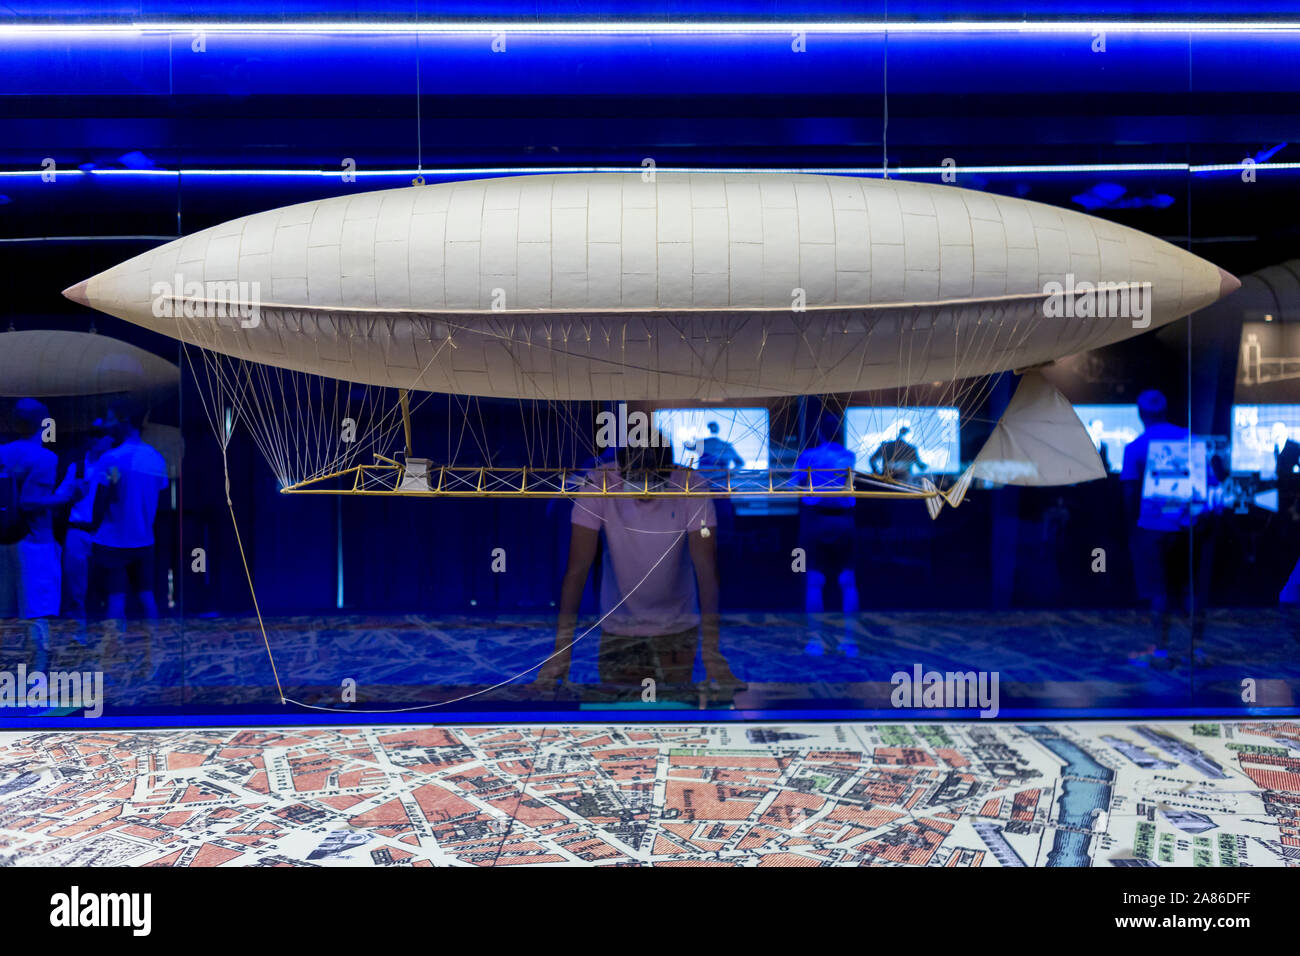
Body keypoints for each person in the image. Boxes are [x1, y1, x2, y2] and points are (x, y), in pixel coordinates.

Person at [536, 435, 737, 695]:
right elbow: (577, 570)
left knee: (673, 719)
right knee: (619, 719)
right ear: (622, 470)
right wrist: (561, 652)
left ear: (668, 471)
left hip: (677, 629)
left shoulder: (692, 485)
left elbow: (706, 571)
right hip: (619, 628)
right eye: (637, 481)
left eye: (654, 481)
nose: (645, 491)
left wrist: (711, 652)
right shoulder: (599, 483)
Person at [0, 398, 82, 669]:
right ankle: (38, 674)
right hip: (34, 543)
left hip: (4, 543)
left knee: (7, 612)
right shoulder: (45, 458)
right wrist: (67, 496)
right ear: (44, 424)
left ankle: (10, 673)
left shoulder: (2, 452)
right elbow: (30, 502)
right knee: (36, 612)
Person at [1120, 389, 1190, 657]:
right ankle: (1194, 650)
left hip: (1151, 527)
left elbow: (1128, 491)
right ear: (1165, 409)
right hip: (1186, 526)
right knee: (1186, 588)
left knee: (1158, 589)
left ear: (1140, 413)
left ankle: (1160, 649)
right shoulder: (1187, 437)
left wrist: (1133, 528)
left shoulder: (1135, 446)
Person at [91, 401, 168, 631]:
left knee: (116, 600)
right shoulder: (157, 458)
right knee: (147, 597)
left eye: (113, 419)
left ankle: (114, 654)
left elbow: (101, 499)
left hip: (112, 541)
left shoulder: (111, 458)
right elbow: (159, 494)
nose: (109, 425)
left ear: (125, 423)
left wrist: (92, 529)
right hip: (144, 539)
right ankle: (155, 649)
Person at [792, 413, 859, 656]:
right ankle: (850, 642)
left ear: (819, 433)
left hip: (815, 521)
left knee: (814, 582)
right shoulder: (848, 456)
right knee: (848, 581)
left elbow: (794, 483)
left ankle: (815, 642)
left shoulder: (809, 456)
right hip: (844, 522)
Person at [58, 419, 114, 626]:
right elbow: (59, 496)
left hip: (106, 532)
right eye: (101, 436)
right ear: (92, 440)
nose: (107, 440)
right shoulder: (77, 467)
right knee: (75, 587)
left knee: (105, 585)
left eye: (108, 435)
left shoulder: (112, 467)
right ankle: (77, 634)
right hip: (78, 530)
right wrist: (73, 491)